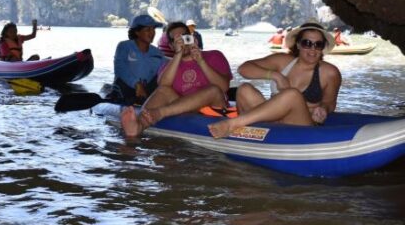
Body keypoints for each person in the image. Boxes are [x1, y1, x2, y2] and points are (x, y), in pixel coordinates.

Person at [208, 21, 342, 139]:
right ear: (298, 45)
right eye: (307, 43)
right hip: (274, 123)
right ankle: (250, 136)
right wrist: (276, 76)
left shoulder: (330, 72)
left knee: (292, 95)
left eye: (318, 44)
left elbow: (330, 103)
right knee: (244, 89)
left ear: (323, 47)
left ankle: (233, 124)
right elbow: (244, 69)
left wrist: (323, 109)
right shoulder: (282, 61)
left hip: (301, 126)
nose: (312, 49)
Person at [122, 20, 233, 138]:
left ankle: (159, 113)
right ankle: (138, 126)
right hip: (183, 110)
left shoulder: (214, 56)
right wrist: (178, 54)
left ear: (191, 37)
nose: (182, 41)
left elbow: (223, 87)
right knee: (164, 90)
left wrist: (201, 61)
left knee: (213, 90)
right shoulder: (169, 66)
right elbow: (162, 86)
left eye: (184, 37)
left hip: (214, 109)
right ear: (171, 45)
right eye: (177, 39)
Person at [108, 14, 165, 106]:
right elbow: (120, 68)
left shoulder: (158, 53)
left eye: (153, 29)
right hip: (125, 89)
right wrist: (136, 84)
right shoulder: (124, 46)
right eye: (148, 30)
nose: (152, 32)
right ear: (137, 32)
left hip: (147, 91)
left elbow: (164, 74)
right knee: (122, 85)